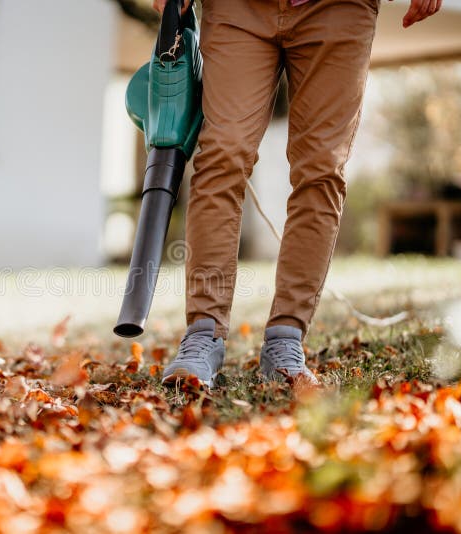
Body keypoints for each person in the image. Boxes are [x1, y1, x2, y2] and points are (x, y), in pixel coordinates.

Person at [158, 0, 442, 388]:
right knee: (222, 153)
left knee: (321, 169)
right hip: (239, 8)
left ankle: (285, 339)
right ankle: (202, 335)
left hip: (340, 8)